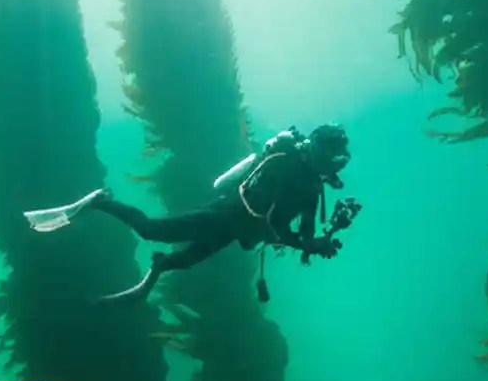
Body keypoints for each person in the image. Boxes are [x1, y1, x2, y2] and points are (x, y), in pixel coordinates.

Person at [21, 123, 353, 304]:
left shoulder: (313, 187)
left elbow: (300, 234)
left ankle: (154, 271)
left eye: (337, 161)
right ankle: (99, 201)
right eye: (330, 158)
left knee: (185, 260)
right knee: (151, 230)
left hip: (236, 229)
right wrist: (303, 242)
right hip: (225, 215)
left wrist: (319, 242)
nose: (333, 166)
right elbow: (265, 217)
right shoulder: (285, 165)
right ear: (316, 150)